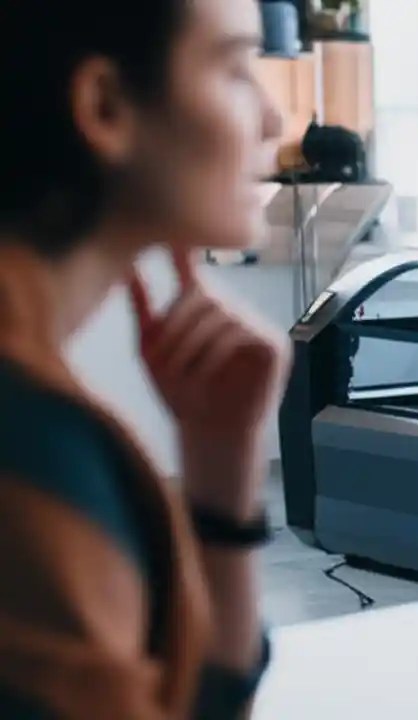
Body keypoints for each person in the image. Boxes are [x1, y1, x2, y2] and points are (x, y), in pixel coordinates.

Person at [0, 0, 287, 717]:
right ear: (104, 105)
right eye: (233, 67)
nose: (275, 121)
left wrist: (222, 477)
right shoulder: (33, 452)